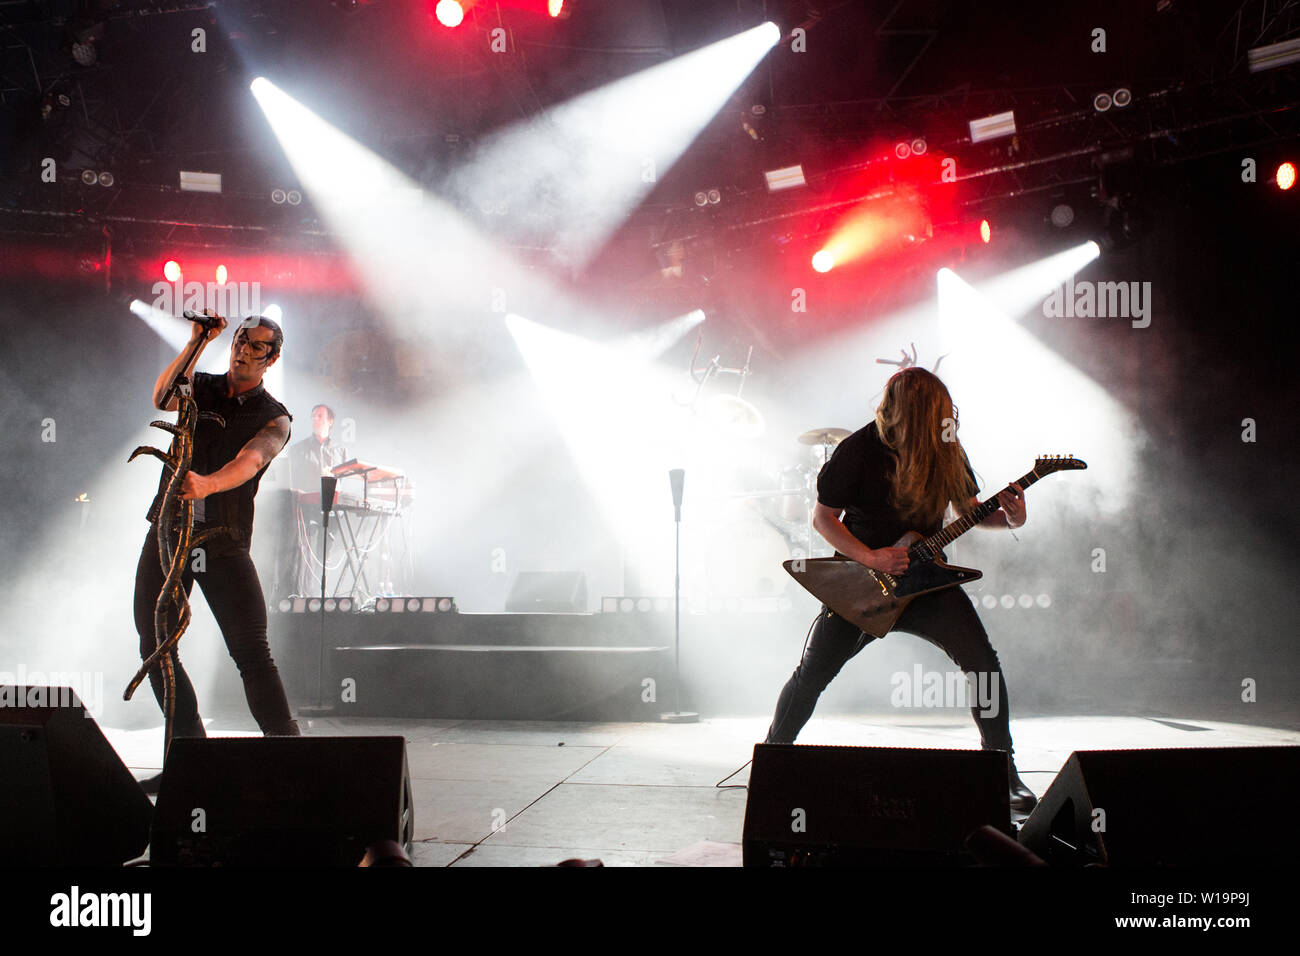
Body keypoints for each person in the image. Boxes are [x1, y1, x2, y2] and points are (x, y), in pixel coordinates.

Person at [765, 367, 1038, 812]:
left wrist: (1011, 517)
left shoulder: (947, 449)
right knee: (813, 674)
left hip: (926, 579)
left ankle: (1003, 773)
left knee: (983, 665)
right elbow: (822, 519)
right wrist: (872, 557)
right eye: (934, 412)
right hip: (862, 582)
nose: (944, 420)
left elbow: (969, 510)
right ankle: (773, 760)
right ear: (908, 411)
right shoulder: (858, 449)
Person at [133, 311, 300, 791]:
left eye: (257, 346)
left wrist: (205, 484)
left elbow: (250, 462)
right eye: (242, 341)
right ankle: (194, 756)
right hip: (168, 534)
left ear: (273, 358)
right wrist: (196, 340)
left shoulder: (273, 416)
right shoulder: (200, 386)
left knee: (251, 650)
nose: (244, 350)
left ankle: (290, 757)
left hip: (222, 541)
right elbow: (162, 397)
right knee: (156, 645)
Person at [288, 403, 347, 491]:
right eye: (313, 416)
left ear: (330, 421)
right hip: (306, 501)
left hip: (334, 501)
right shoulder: (297, 449)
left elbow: (343, 479)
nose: (315, 419)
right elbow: (291, 479)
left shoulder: (341, 450)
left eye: (320, 416)